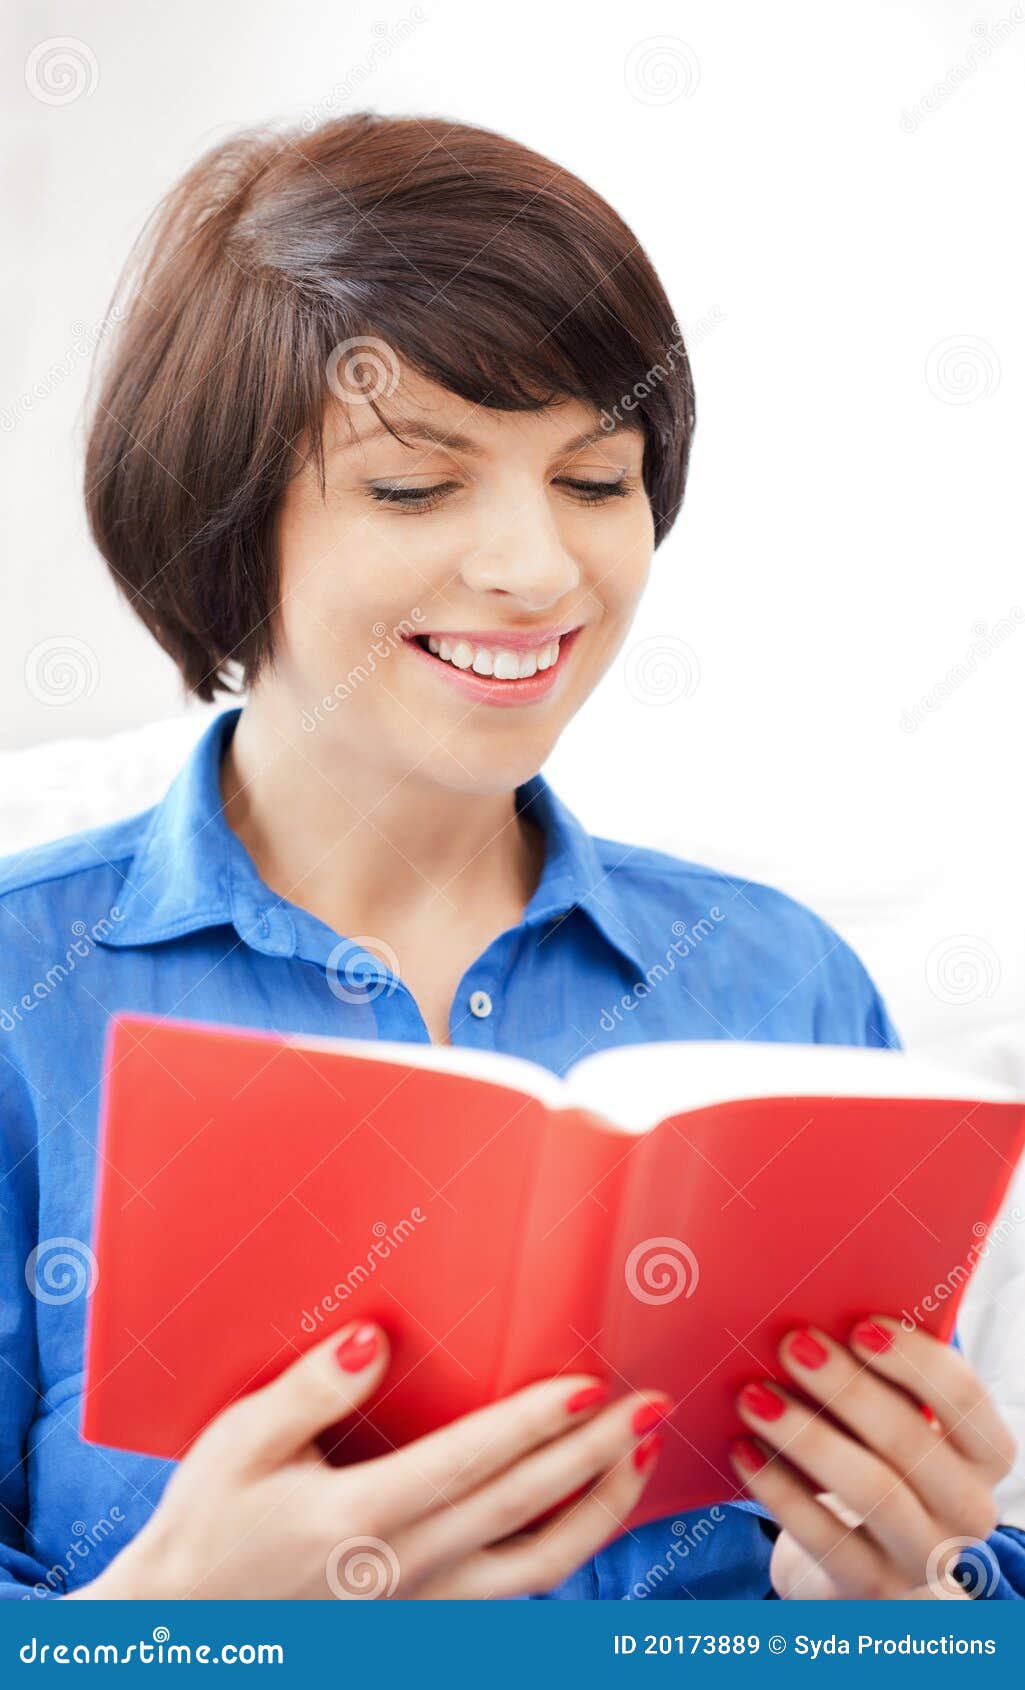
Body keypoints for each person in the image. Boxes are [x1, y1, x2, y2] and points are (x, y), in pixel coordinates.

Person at [1, 113, 1020, 1602]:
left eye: (596, 482)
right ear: (220, 520)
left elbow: (916, 1598)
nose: (539, 572)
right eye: (415, 488)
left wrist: (909, 1598)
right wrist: (163, 1620)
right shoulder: (27, 993)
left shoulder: (781, 983)